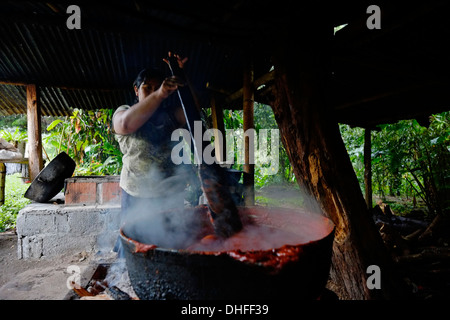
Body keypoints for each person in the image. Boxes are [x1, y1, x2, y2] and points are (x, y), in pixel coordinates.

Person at [112, 53, 193, 242]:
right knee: (135, 245)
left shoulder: (170, 115)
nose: (153, 91)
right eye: (147, 88)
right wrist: (161, 93)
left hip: (170, 196)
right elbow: (124, 124)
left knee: (170, 244)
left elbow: (192, 109)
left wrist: (182, 76)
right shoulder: (123, 112)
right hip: (136, 195)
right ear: (136, 90)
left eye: (157, 88)